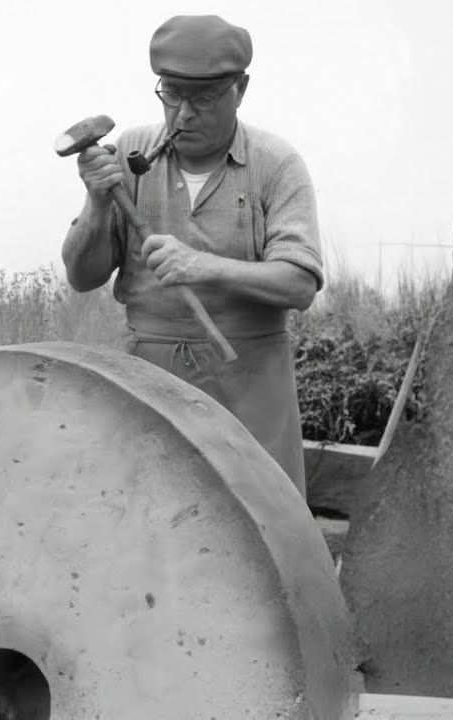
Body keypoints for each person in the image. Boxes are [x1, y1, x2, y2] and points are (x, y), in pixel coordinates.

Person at [62, 15, 323, 495]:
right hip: (152, 380)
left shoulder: (275, 165)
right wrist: (97, 202)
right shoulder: (129, 155)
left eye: (202, 99)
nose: (183, 115)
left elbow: (300, 283)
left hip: (251, 378)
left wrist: (201, 267)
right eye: (172, 95)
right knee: (157, 520)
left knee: (266, 527)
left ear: (239, 89)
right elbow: (82, 276)